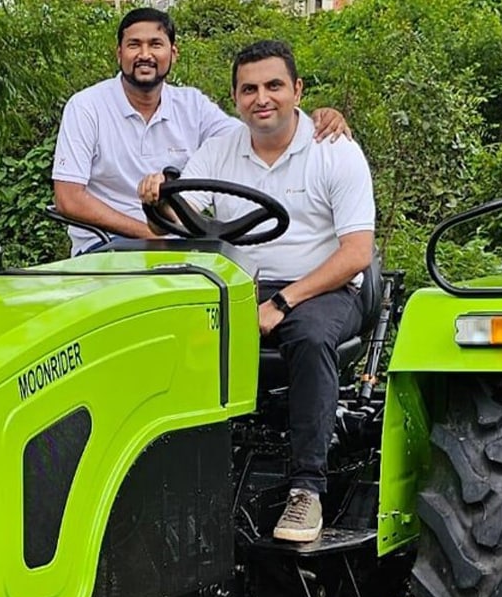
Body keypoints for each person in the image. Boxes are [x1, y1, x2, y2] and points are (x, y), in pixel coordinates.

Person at [137, 39, 376, 545]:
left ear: (297, 90)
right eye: (249, 89)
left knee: (309, 338)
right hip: (246, 285)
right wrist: (158, 197)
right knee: (166, 330)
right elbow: (189, 217)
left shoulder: (334, 149)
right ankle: (171, 483)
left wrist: (282, 303)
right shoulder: (221, 148)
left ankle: (307, 490)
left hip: (326, 286)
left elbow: (356, 253)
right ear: (235, 98)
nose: (261, 98)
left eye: (273, 86)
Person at [51, 7, 350, 256]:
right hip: (105, 248)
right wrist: (150, 234)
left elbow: (259, 131)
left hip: (176, 245)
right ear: (119, 54)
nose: (145, 54)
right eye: (134, 45)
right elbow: (69, 199)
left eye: (155, 44)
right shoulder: (86, 106)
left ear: (173, 53)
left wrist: (318, 120)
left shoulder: (191, 105)